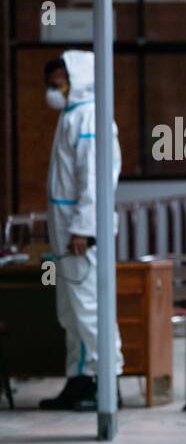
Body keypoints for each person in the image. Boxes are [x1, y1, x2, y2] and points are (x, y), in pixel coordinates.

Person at [38, 51, 124, 412]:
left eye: (61, 79)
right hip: (67, 230)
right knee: (70, 312)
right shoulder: (73, 116)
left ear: (80, 78)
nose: (54, 87)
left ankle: (107, 384)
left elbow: (94, 178)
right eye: (53, 80)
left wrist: (84, 229)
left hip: (79, 235)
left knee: (89, 309)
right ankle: (79, 379)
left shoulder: (90, 116)